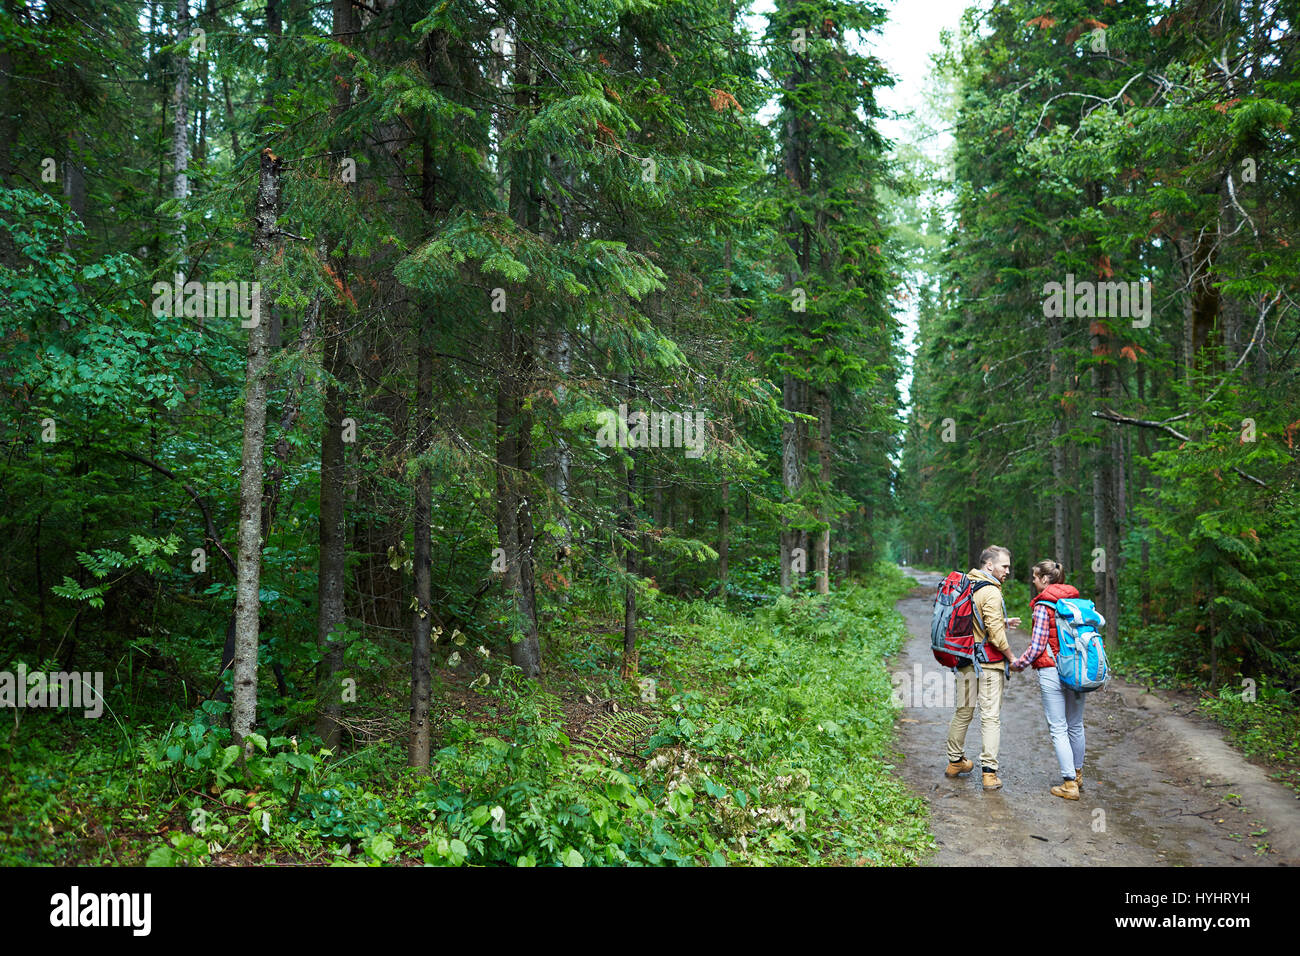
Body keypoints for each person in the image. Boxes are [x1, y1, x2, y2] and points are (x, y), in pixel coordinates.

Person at [945, 545, 1021, 790]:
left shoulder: (967, 584)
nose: (1008, 570)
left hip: (965, 660)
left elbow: (975, 620)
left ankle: (955, 762)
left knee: (963, 713)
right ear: (990, 565)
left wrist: (1003, 621)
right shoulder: (991, 592)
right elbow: (996, 636)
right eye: (1004, 566)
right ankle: (989, 774)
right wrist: (1010, 656)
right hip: (988, 664)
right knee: (990, 718)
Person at [1010, 559, 1085, 800]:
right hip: (1077, 669)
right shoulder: (1076, 602)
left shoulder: (1044, 605)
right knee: (1075, 724)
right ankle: (1078, 773)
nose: (1032, 581)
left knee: (1058, 727)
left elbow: (1038, 644)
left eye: (1034, 577)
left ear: (1045, 579)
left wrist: (1019, 664)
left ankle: (1069, 784)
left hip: (1052, 670)